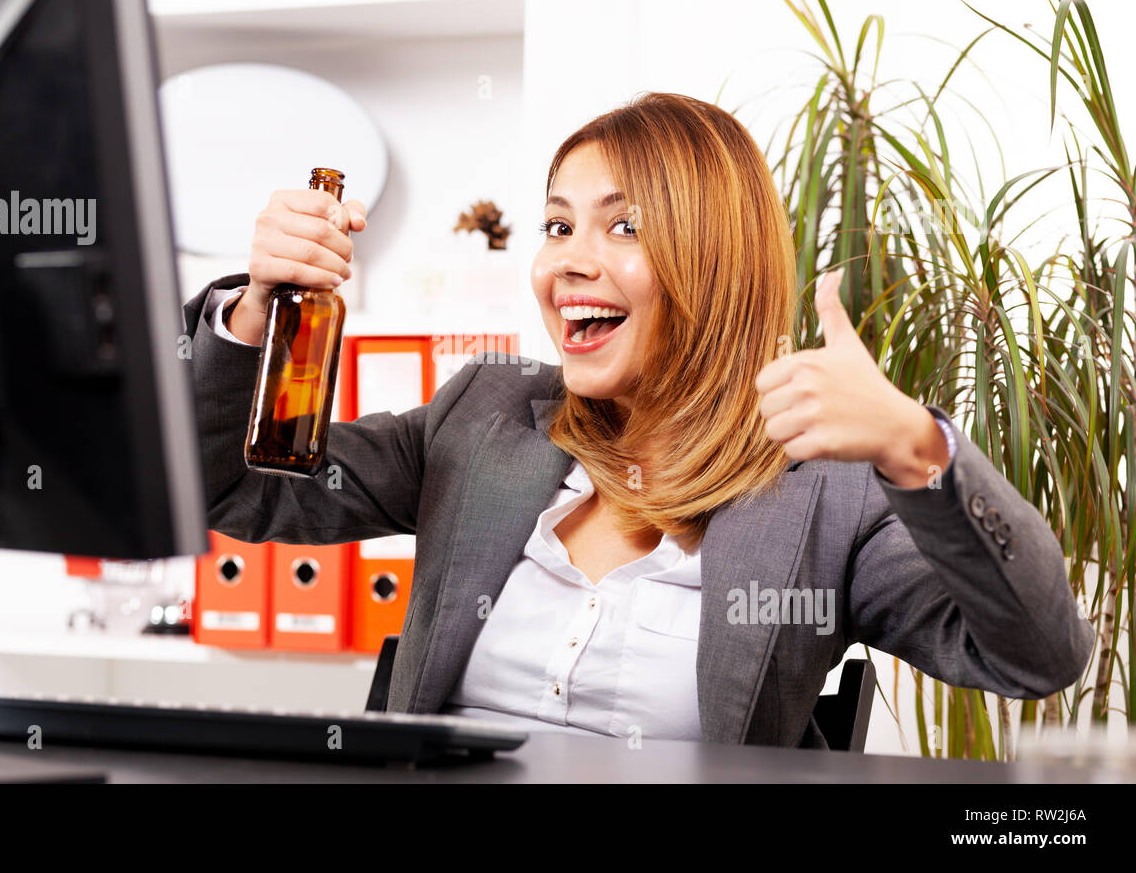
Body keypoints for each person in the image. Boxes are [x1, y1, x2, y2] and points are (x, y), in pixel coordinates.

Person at [181, 91, 1093, 747]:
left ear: (715, 261)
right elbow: (230, 489)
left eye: (625, 227)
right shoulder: (486, 416)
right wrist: (255, 315)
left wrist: (914, 447)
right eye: (556, 224)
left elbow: (1038, 655)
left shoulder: (827, 493)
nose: (570, 262)